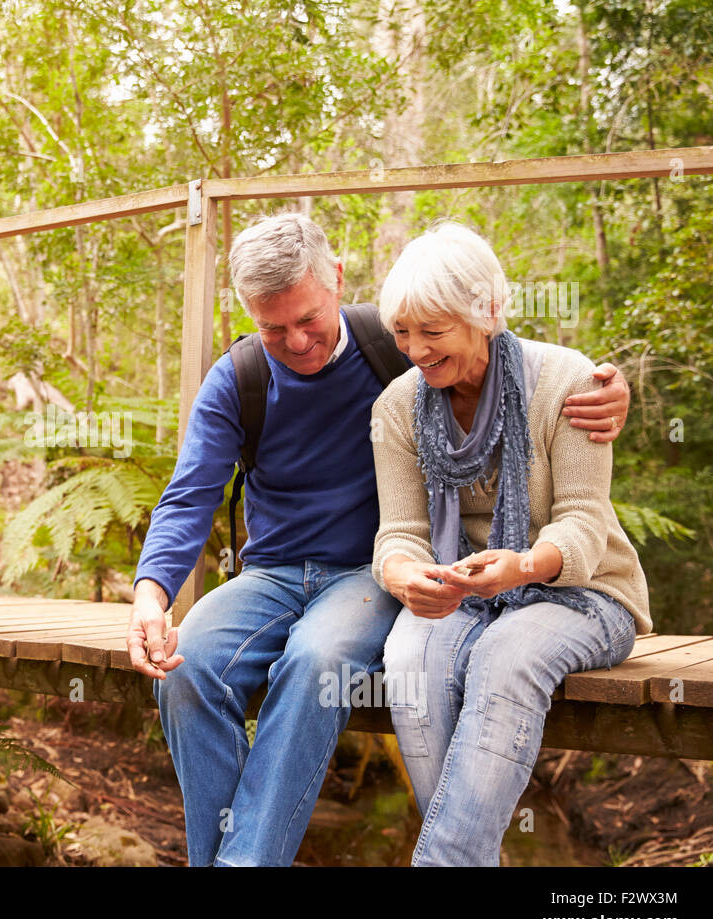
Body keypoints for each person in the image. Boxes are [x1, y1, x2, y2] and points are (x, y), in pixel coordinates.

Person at [125, 210, 633, 867]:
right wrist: (149, 597)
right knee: (187, 666)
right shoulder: (240, 378)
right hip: (272, 573)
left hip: (366, 576)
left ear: (336, 278)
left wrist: (609, 385)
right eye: (273, 327)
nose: (298, 341)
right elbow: (189, 495)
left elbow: (493, 350)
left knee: (317, 662)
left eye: (308, 318)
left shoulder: (394, 345)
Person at [370, 222, 652, 867]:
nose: (414, 349)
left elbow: (583, 519)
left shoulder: (569, 383)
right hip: (463, 596)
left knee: (502, 655)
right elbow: (400, 533)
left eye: (432, 331)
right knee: (408, 656)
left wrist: (524, 566)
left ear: (488, 312)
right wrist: (403, 575)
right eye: (403, 333)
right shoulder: (397, 407)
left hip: (581, 593)